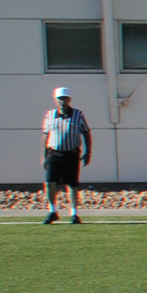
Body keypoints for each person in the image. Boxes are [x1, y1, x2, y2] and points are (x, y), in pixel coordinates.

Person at [40, 86, 93, 224]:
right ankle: (53, 211)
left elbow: (86, 133)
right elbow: (45, 136)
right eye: (59, 99)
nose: (62, 101)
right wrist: (44, 155)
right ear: (55, 100)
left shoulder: (78, 115)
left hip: (71, 154)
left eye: (64, 98)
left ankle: (74, 213)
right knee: (50, 183)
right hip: (54, 153)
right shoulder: (50, 115)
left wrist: (88, 152)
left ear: (69, 99)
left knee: (72, 184)